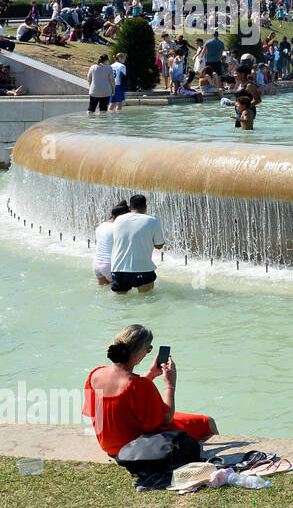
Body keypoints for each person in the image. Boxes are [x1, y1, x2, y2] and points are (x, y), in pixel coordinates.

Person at [82, 324, 217, 459]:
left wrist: (151, 374)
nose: (147, 353)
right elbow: (167, 419)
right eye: (148, 348)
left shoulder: (94, 375)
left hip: (109, 446)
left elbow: (119, 403)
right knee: (207, 422)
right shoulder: (140, 385)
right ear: (139, 352)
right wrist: (170, 384)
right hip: (135, 448)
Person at [109, 194, 164, 294]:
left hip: (119, 268)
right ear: (145, 207)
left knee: (120, 302)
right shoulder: (153, 221)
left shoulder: (118, 220)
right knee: (146, 301)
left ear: (130, 208)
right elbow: (159, 245)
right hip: (143, 268)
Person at [92, 200, 130, 286]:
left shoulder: (101, 226)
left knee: (102, 290)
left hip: (97, 263)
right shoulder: (117, 227)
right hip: (109, 264)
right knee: (119, 294)